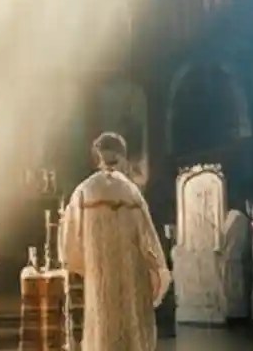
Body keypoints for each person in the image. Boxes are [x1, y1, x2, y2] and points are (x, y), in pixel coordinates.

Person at [60, 132, 171, 351]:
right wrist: (156, 270)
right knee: (131, 331)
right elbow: (148, 239)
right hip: (132, 277)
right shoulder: (131, 192)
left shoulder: (84, 191)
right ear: (122, 155)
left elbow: (69, 240)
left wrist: (85, 265)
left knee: (103, 328)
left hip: (100, 276)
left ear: (97, 156)